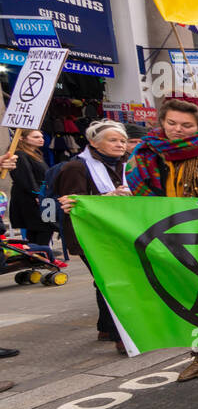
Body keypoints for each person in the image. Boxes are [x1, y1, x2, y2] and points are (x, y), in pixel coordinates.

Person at [123, 97, 198, 378]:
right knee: (184, 294)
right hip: (167, 235)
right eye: (172, 123)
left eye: (186, 125)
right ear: (162, 122)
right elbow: (142, 197)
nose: (177, 129)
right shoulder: (146, 155)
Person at [51, 120, 133, 354]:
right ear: (93, 143)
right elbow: (73, 203)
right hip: (89, 236)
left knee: (104, 279)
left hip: (116, 232)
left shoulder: (124, 165)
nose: (120, 144)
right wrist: (110, 196)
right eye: (113, 140)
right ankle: (121, 337)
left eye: (123, 140)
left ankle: (105, 328)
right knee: (113, 280)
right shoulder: (76, 167)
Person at [7, 129, 57, 247]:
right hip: (32, 198)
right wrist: (36, 194)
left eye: (41, 137)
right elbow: (26, 178)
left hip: (41, 195)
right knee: (43, 227)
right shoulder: (20, 154)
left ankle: (37, 256)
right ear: (22, 138)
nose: (41, 139)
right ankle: (39, 255)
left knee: (40, 229)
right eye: (35, 137)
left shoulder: (34, 154)